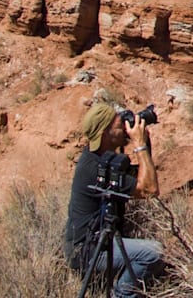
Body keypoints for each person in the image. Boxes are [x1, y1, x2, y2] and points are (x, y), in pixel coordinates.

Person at [63, 101, 163, 297]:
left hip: (96, 242)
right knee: (153, 254)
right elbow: (149, 189)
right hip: (88, 250)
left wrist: (145, 143)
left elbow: (141, 177)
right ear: (105, 134)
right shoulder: (95, 169)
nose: (125, 129)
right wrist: (139, 145)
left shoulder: (102, 158)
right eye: (119, 126)